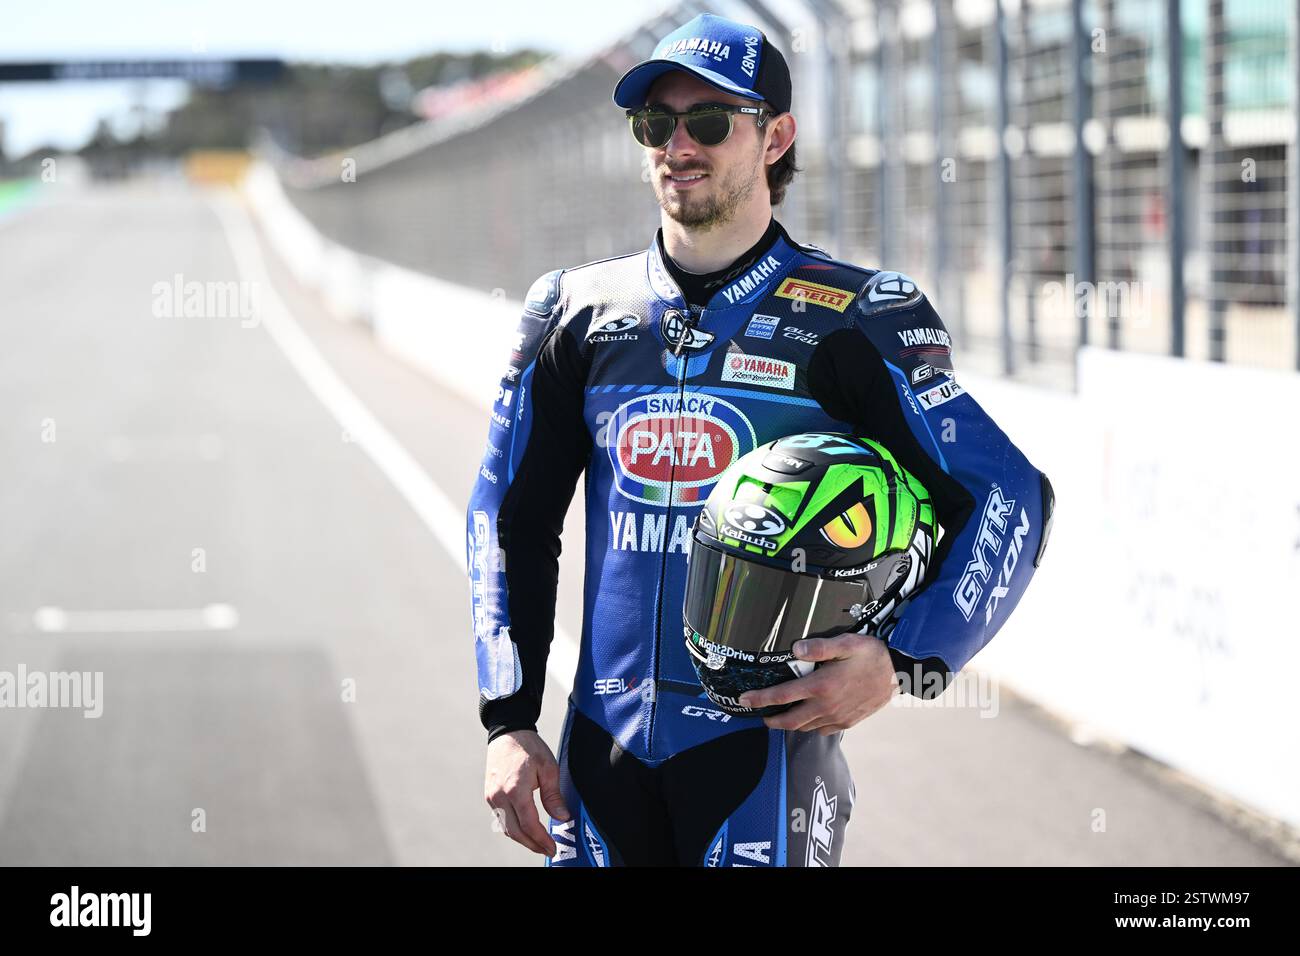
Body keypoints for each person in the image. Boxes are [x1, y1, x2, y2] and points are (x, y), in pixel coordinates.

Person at [467, 11, 1054, 867]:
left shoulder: (856, 319)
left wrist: (902, 658)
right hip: (599, 752)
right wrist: (508, 718)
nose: (678, 145)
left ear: (775, 136)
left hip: (767, 758)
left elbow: (1008, 495)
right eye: (655, 123)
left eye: (708, 121)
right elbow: (507, 519)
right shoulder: (573, 313)